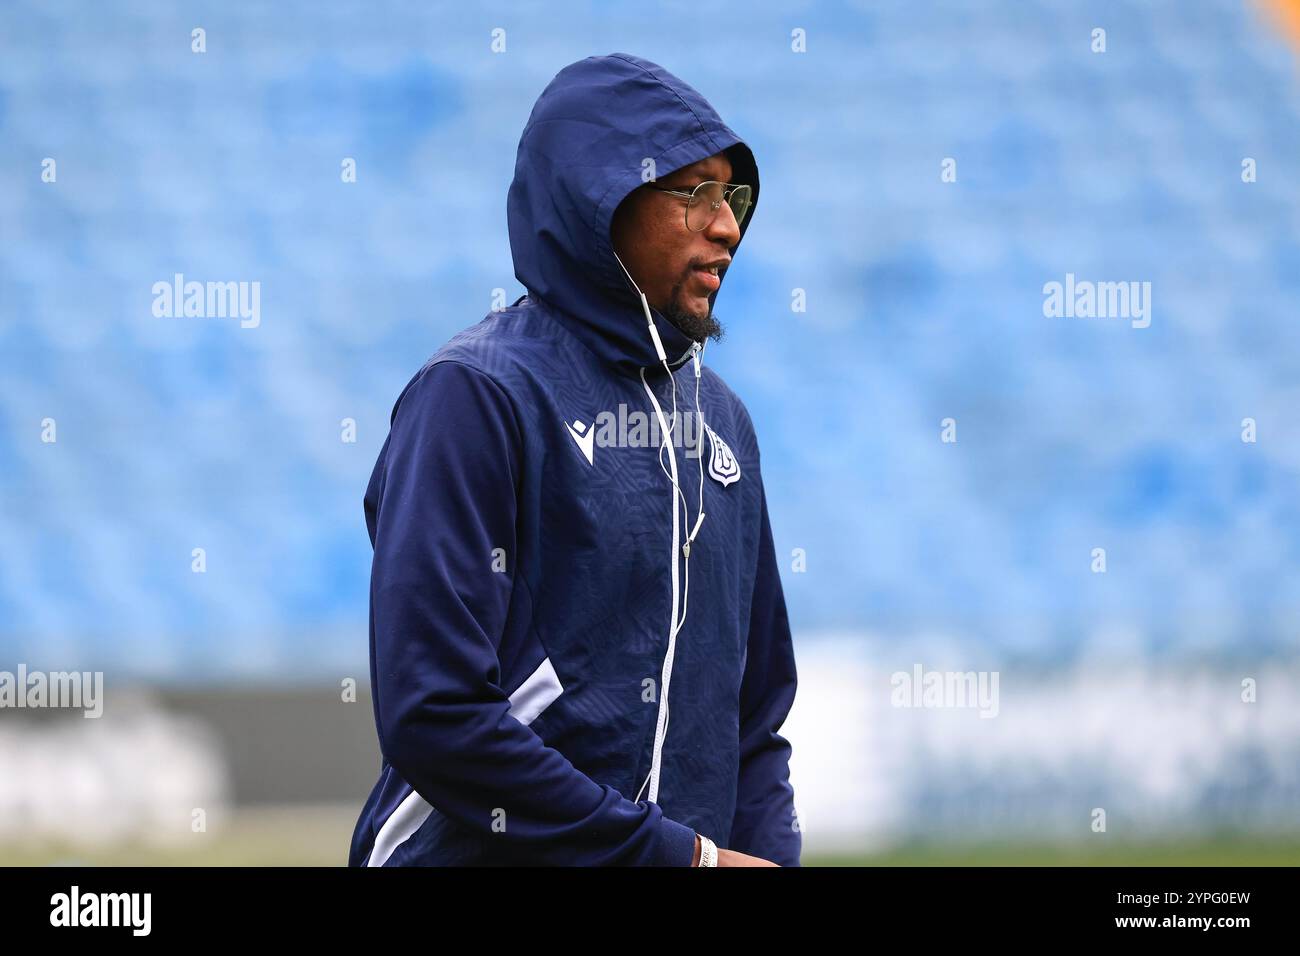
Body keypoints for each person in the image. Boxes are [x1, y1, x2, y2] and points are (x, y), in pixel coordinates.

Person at [348, 53, 800, 867]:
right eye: (694, 192)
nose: (727, 224)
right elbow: (436, 716)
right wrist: (681, 860)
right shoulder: (477, 396)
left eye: (732, 196)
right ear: (601, 201)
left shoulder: (724, 423)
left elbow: (755, 725)